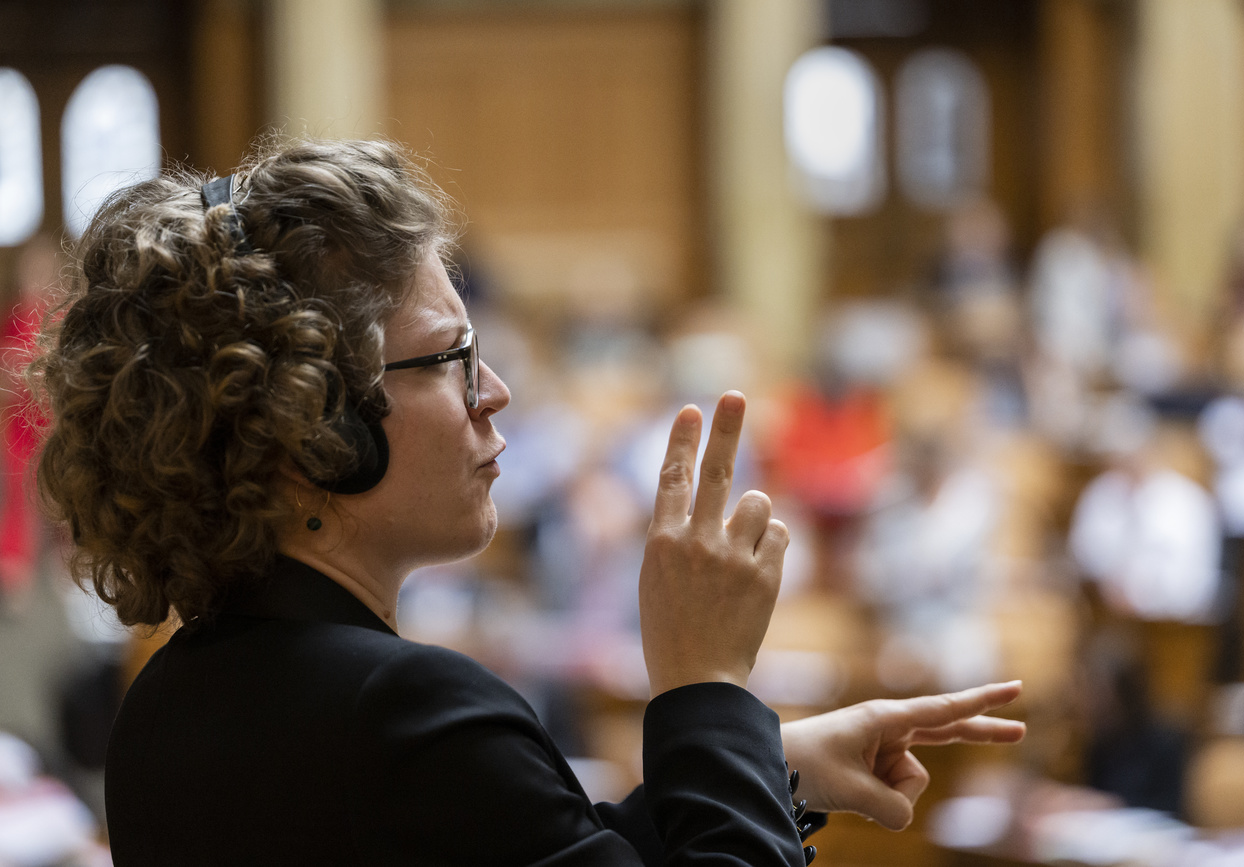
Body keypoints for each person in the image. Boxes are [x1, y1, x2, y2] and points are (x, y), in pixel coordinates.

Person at [28, 138, 1025, 866]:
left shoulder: (165, 709)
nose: (494, 391)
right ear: (314, 422)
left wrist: (764, 764)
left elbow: (548, 854)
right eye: (451, 358)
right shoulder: (409, 714)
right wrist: (705, 685)